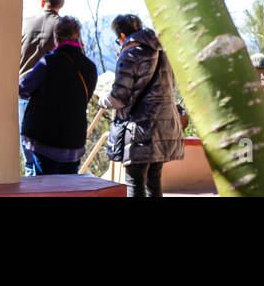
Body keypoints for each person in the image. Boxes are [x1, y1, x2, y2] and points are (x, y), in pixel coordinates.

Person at [101, 14, 185, 197]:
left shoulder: (130, 54)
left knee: (135, 182)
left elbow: (119, 96)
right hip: (165, 126)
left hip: (140, 128)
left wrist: (102, 99)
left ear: (122, 35)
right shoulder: (163, 52)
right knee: (154, 182)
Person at [18, 15, 99, 176]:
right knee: (68, 187)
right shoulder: (90, 67)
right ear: (78, 37)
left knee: (47, 188)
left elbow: (23, 89)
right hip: (74, 139)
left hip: (45, 138)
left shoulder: (48, 62)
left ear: (56, 38)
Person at [18, 0, 64, 176]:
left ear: (42, 1)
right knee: (50, 158)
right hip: (53, 97)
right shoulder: (64, 28)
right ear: (61, 3)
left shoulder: (25, 24)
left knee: (29, 158)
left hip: (24, 93)